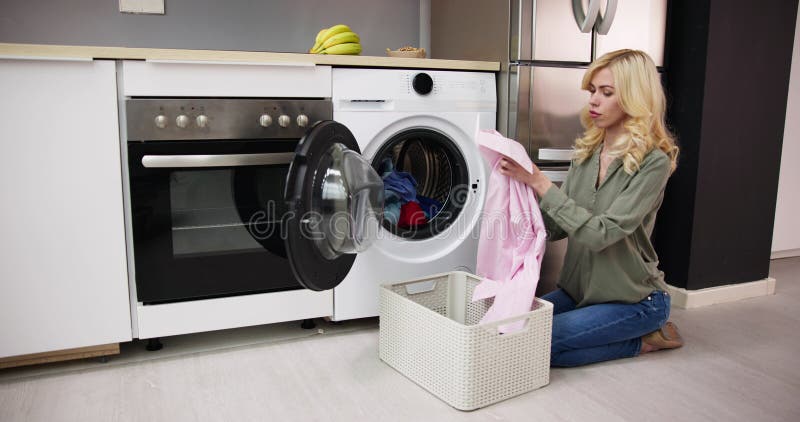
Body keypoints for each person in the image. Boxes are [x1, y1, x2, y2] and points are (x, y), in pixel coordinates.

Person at [498, 49, 684, 367]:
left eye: (606, 93)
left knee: (541, 346)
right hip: (578, 293)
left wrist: (541, 183)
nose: (594, 101)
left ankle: (643, 340)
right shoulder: (588, 152)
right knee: (507, 331)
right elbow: (557, 228)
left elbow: (602, 234)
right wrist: (517, 201)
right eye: (593, 91)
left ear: (635, 98)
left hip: (634, 300)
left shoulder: (654, 162)